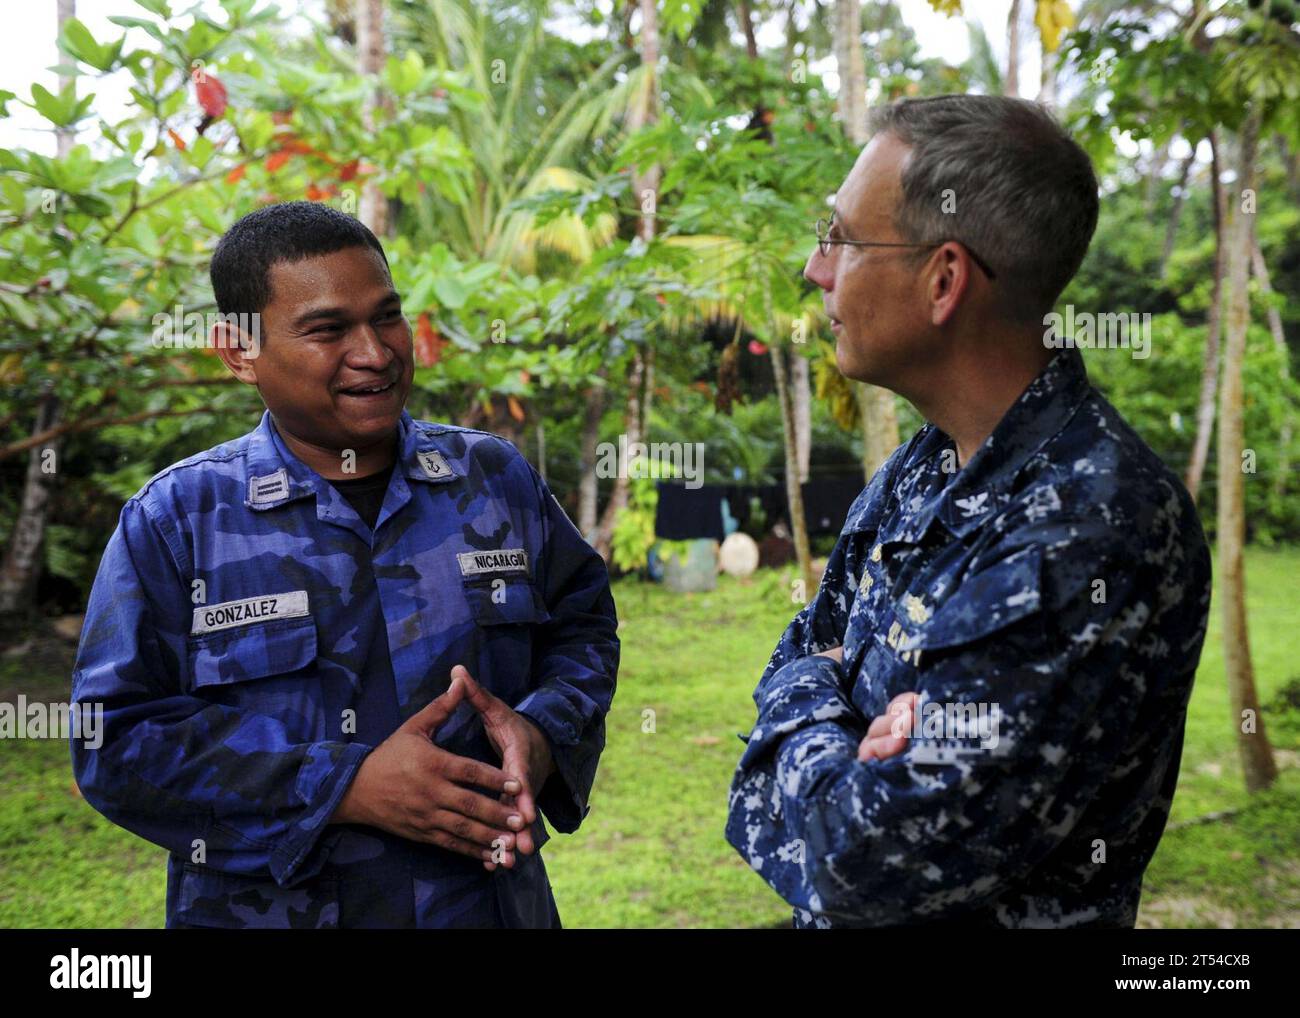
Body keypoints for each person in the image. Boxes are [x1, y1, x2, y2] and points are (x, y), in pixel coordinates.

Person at [724, 94, 1212, 928]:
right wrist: (835, 707)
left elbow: (859, 864)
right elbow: (802, 655)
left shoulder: (1092, 527)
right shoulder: (927, 463)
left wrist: (804, 697)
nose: (817, 268)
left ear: (944, 279)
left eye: (841, 237)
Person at [71, 201, 619, 928]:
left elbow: (582, 630)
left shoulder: (492, 479)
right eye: (328, 329)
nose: (375, 352)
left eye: (386, 317)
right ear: (237, 350)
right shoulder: (177, 521)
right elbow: (112, 738)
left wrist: (543, 733)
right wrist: (345, 783)